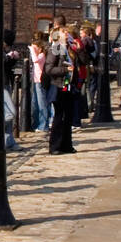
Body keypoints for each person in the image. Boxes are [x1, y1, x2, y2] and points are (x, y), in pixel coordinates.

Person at [44, 23, 80, 154]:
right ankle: (55, 146)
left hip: (67, 85)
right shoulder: (55, 49)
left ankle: (66, 144)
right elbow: (49, 69)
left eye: (66, 32)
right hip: (58, 86)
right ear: (57, 36)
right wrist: (65, 69)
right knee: (59, 115)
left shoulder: (68, 48)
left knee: (68, 115)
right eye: (63, 32)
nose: (66, 33)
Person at [29, 32, 49, 132]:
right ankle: (36, 124)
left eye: (36, 48)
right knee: (35, 103)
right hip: (36, 80)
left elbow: (35, 60)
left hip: (40, 81)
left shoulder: (42, 55)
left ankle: (44, 125)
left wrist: (32, 50)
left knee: (42, 103)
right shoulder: (40, 54)